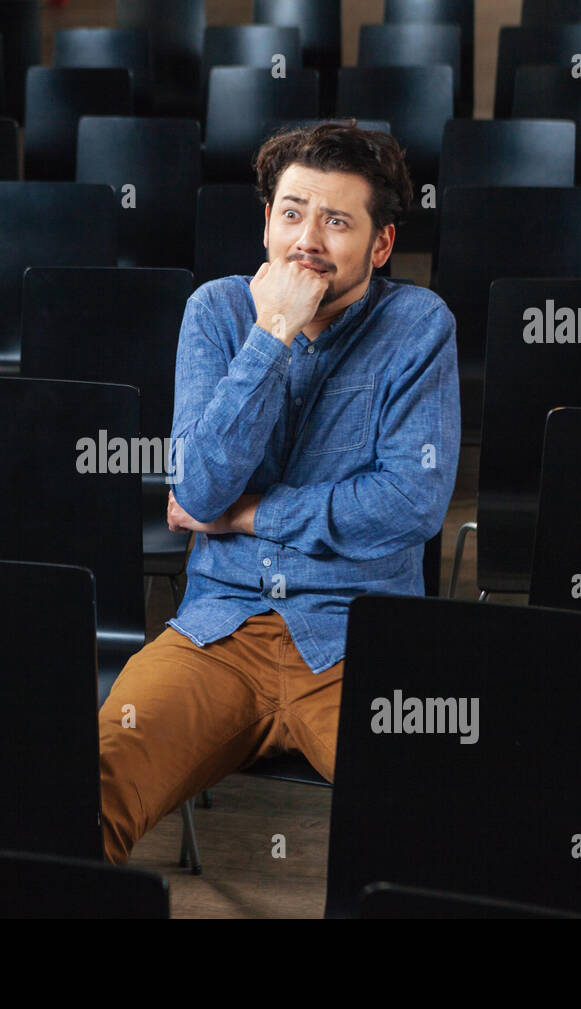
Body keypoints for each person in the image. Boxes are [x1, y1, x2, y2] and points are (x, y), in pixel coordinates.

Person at [99, 120, 461, 864]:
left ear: (381, 244)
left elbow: (412, 503)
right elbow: (199, 487)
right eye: (293, 212)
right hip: (219, 630)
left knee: (443, 817)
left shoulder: (419, 325)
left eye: (337, 221)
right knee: (87, 788)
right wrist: (272, 336)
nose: (308, 239)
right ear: (266, 221)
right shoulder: (218, 311)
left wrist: (252, 513)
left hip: (359, 632)